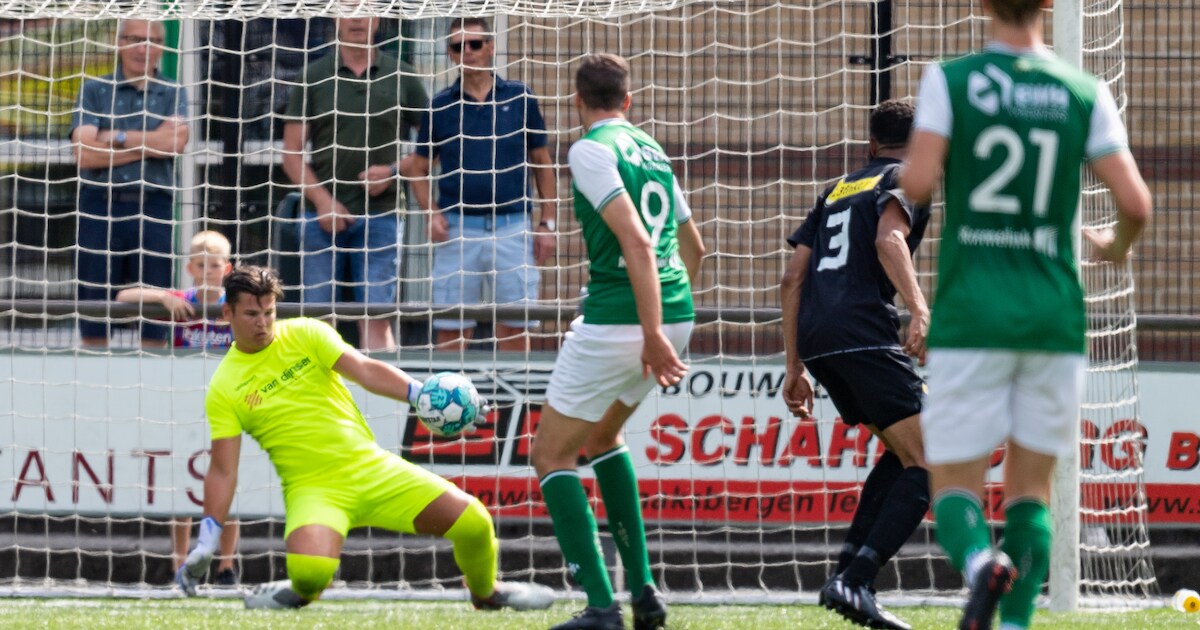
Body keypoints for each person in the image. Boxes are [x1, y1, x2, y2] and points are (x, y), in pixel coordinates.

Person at [900, 1, 1152, 628]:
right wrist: (1113, 246)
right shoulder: (1081, 90)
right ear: (1049, 5)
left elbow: (918, 182)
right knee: (1031, 492)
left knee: (953, 484)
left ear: (983, 4)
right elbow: (1136, 203)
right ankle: (1014, 624)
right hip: (1052, 317)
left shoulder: (951, 81)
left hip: (971, 314)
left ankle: (982, 563)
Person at [176, 265, 554, 612]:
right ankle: (298, 589)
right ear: (227, 314)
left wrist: (419, 394)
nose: (263, 323)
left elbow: (364, 369)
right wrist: (208, 541)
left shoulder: (307, 332)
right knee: (309, 574)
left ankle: (486, 593)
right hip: (314, 492)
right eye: (251, 314)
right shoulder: (224, 387)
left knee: (474, 521)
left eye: (270, 312)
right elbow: (223, 471)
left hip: (374, 471)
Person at [530, 54, 705, 630]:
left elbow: (633, 239)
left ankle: (602, 605)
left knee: (550, 454)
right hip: (676, 308)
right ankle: (646, 594)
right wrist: (667, 320)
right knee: (604, 436)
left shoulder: (588, 149)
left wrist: (648, 332)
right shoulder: (652, 149)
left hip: (624, 318)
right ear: (628, 101)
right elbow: (694, 247)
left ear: (577, 101)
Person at [780, 99, 931, 630]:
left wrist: (794, 365)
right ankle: (856, 580)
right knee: (933, 460)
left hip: (819, 339)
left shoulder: (837, 188)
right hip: (864, 332)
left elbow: (792, 278)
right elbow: (889, 238)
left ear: (870, 143)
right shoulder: (904, 179)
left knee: (902, 453)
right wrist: (919, 308)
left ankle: (846, 576)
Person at [402, 17, 557, 353]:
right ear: (450, 54)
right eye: (458, 46)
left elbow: (543, 163)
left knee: (515, 328)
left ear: (490, 47)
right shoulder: (440, 105)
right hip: (458, 230)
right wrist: (431, 212)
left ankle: (509, 408)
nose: (467, 52)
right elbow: (417, 169)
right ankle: (453, 406)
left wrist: (547, 223)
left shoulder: (520, 96)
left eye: (474, 44)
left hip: (513, 228)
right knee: (451, 331)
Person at [281, 16, 426, 352]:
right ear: (335, 18)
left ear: (377, 19)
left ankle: (380, 401)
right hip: (319, 218)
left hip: (383, 214)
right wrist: (322, 201)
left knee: (376, 317)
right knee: (318, 319)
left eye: (365, 9)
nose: (357, 18)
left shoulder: (401, 73)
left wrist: (391, 171)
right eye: (348, 9)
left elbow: (433, 146)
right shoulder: (313, 75)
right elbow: (291, 155)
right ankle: (315, 400)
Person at [116, 230, 241, 583]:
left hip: (228, 402)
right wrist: (163, 298)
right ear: (190, 268)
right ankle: (181, 565)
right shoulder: (182, 299)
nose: (207, 272)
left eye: (214, 266)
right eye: (200, 265)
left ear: (226, 268)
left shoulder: (235, 304)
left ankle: (227, 565)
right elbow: (124, 295)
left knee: (231, 486)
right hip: (185, 402)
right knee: (181, 490)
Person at [71, 18, 188, 348]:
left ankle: (154, 371)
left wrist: (115, 137)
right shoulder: (94, 89)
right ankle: (92, 374)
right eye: (135, 39)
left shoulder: (173, 91)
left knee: (157, 297)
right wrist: (151, 145)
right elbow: (85, 155)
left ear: (161, 47)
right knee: (94, 297)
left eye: (151, 40)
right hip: (99, 201)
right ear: (119, 42)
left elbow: (175, 145)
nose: (143, 47)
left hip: (155, 204)